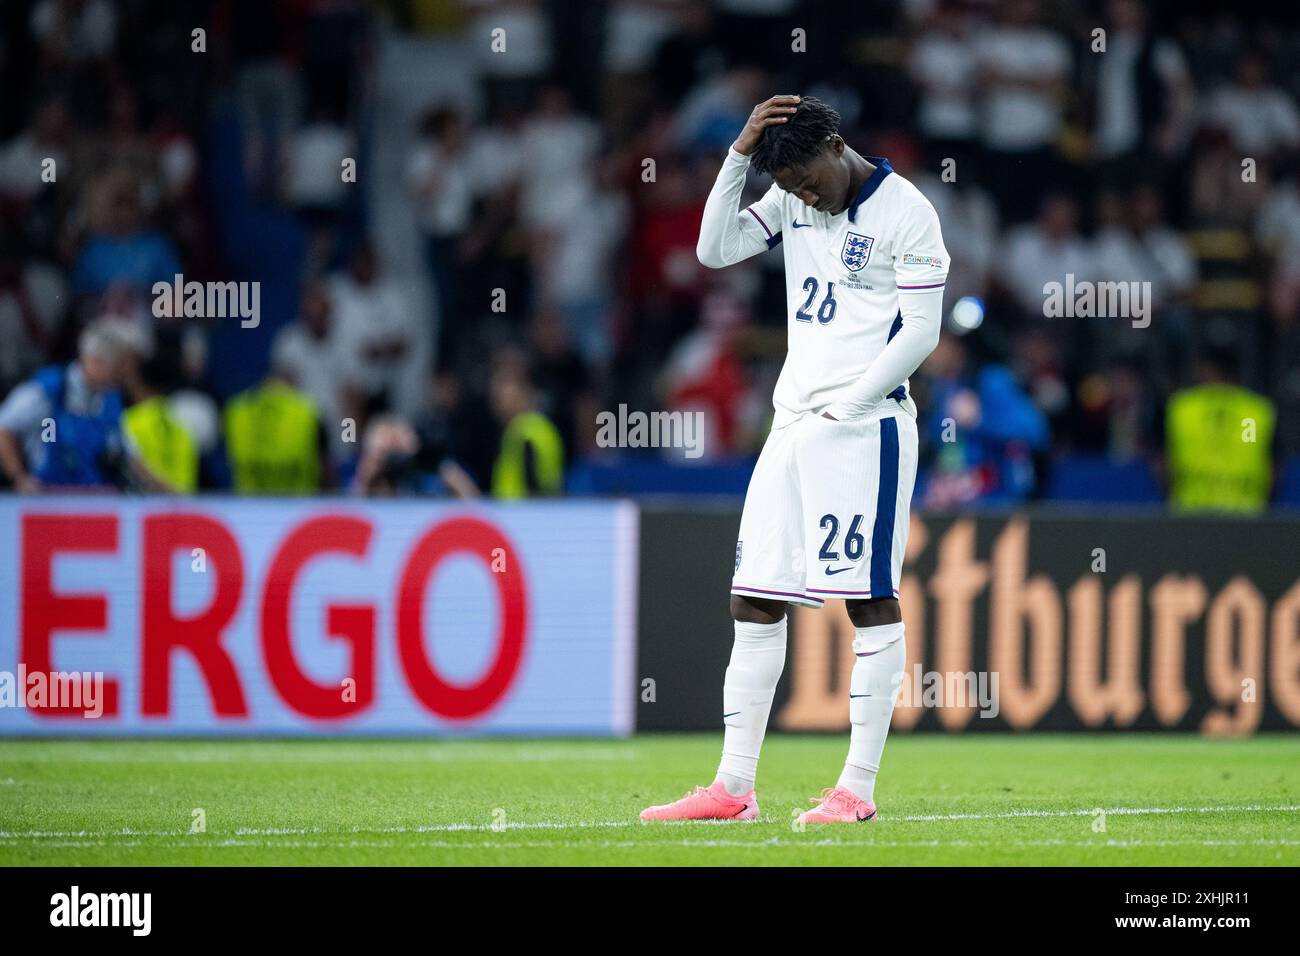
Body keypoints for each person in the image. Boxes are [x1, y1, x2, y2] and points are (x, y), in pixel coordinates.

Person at [641, 95, 948, 825]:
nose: (804, 197)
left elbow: (922, 331)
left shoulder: (908, 213)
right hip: (791, 425)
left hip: (865, 425)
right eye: (792, 187)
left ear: (836, 145)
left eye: (809, 180)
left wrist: (851, 402)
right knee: (753, 596)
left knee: (868, 601)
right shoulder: (787, 194)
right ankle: (733, 788)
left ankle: (857, 790)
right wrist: (740, 154)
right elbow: (713, 250)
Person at [0, 320, 133, 492]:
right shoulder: (47, 391)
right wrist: (18, 477)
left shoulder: (112, 401)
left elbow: (130, 457)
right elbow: (3, 429)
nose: (126, 373)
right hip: (47, 504)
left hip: (93, 505)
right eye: (120, 365)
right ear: (96, 361)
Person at [1165, 347, 1275, 513]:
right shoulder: (1254, 411)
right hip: (1247, 515)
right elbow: (1271, 466)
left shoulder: (1182, 407)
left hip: (1191, 513)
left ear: (1203, 370)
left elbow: (1164, 464)